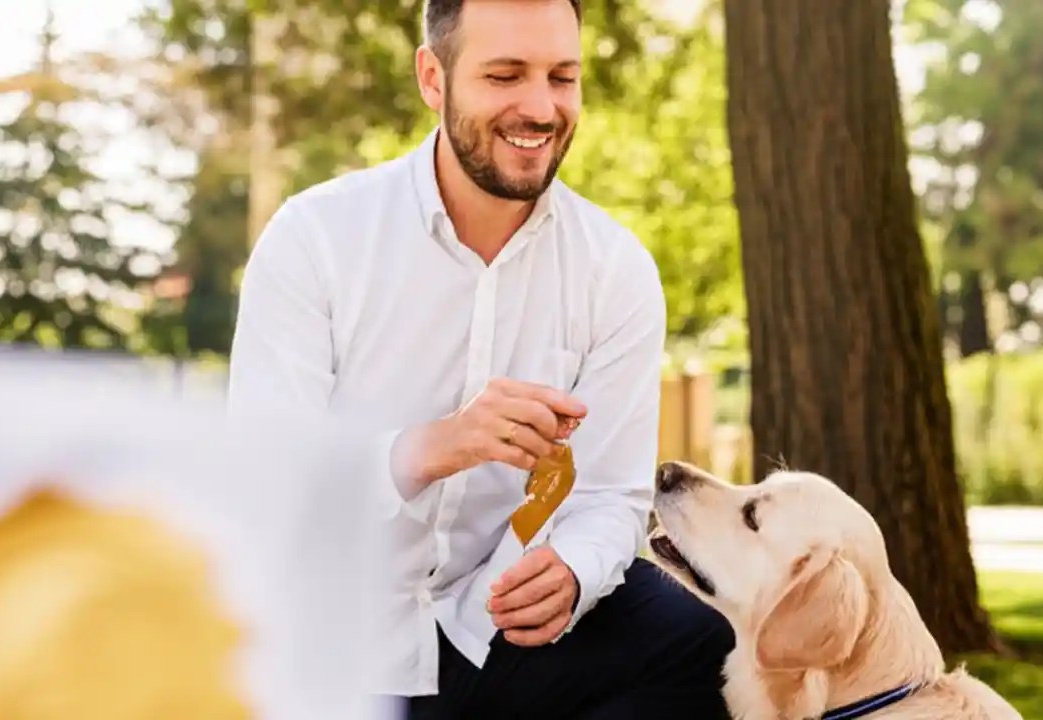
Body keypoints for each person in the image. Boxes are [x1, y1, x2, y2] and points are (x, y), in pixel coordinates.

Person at [226, 0, 734, 717]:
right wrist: (432, 447)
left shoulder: (613, 268)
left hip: (494, 622)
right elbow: (265, 482)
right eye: (505, 75)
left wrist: (574, 571)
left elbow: (611, 496)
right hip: (335, 639)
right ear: (433, 78)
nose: (540, 106)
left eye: (562, 76)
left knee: (705, 647)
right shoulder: (316, 240)